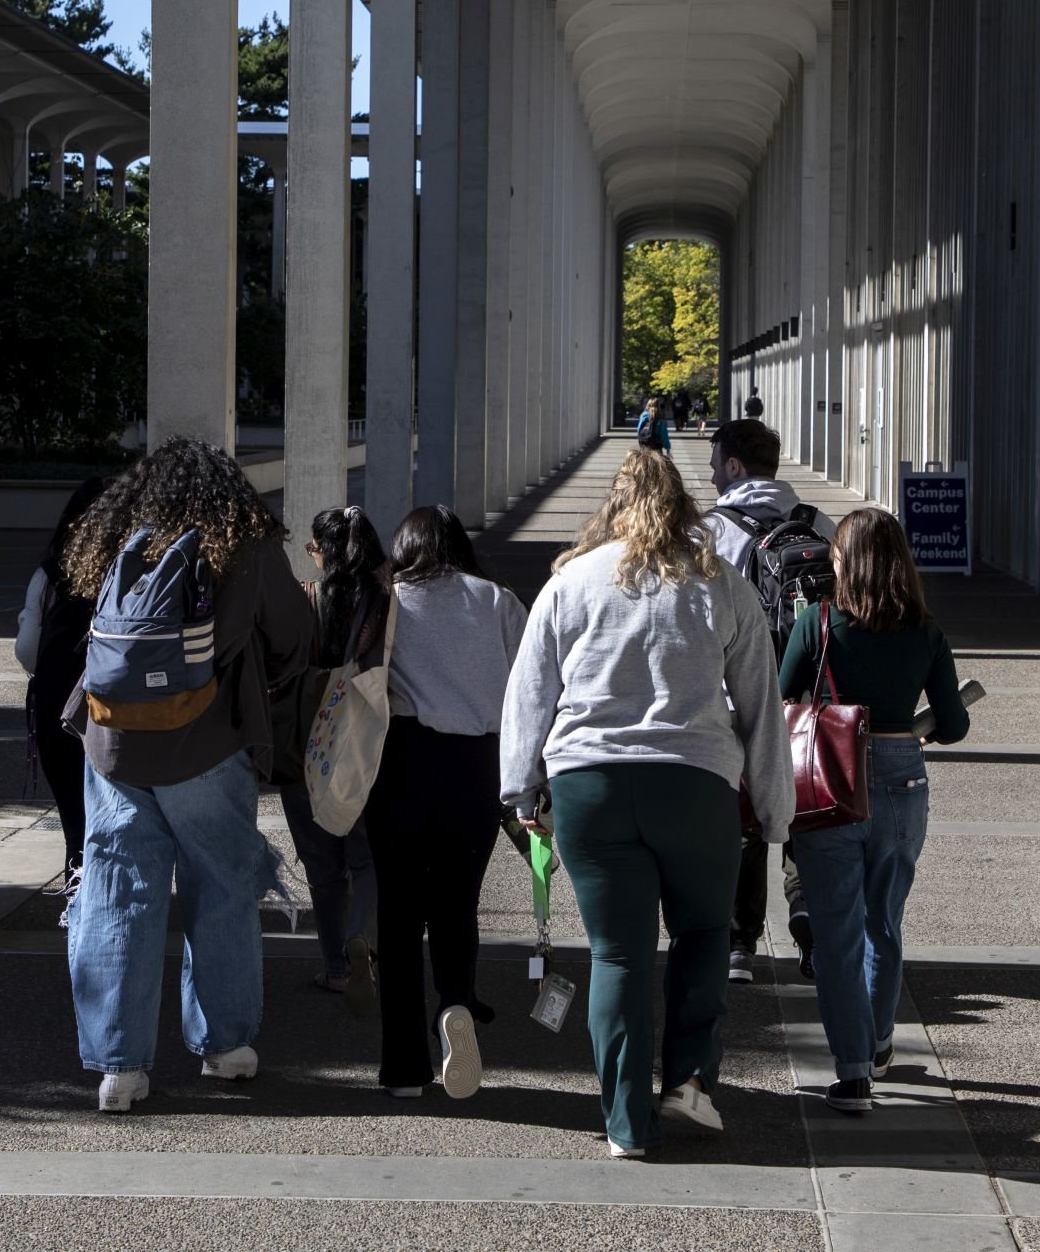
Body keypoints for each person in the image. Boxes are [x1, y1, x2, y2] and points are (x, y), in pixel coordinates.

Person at [502, 446, 792, 1159]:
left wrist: (520, 788)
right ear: (684, 507)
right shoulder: (720, 583)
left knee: (618, 955)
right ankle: (688, 1080)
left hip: (590, 786)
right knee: (704, 933)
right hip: (695, 782)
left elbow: (529, 693)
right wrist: (775, 809)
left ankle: (626, 1124)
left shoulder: (571, 581)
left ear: (614, 504)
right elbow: (762, 704)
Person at [62, 438, 313, 1111]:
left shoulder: (119, 537)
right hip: (207, 742)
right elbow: (292, 635)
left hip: (113, 744)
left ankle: (119, 1069)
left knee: (119, 892)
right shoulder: (244, 543)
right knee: (222, 887)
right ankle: (225, 1045)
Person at [780, 508, 966, 1115]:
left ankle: (854, 1073)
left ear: (846, 560)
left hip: (832, 782)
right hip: (902, 778)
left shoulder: (818, 623)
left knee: (837, 932)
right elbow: (954, 725)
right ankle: (881, 1041)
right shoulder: (926, 632)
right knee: (884, 922)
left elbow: (782, 696)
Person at [364, 505, 527, 1099]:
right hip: (475, 764)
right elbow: (528, 689)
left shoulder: (387, 600)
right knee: (458, 901)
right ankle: (456, 1001)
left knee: (399, 914)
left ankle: (404, 1070)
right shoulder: (497, 601)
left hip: (400, 759)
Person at [704, 419, 835, 982]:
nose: (712, 475)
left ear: (735, 466)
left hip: (738, 693)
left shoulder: (712, 532)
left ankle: (740, 944)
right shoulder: (816, 523)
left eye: (716, 464)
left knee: (745, 814)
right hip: (808, 695)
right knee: (805, 799)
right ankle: (806, 907)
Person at [288, 505, 385, 1001]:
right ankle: (363, 937)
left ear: (324, 552)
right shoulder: (385, 604)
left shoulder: (302, 600)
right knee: (366, 857)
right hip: (365, 744)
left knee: (323, 869)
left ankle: (337, 968)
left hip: (306, 747)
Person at [14, 476, 109, 920]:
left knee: (75, 819)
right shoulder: (136, 571)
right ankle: (114, 906)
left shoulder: (49, 575)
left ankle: (81, 906)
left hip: (57, 709)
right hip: (117, 713)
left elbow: (27, 651)